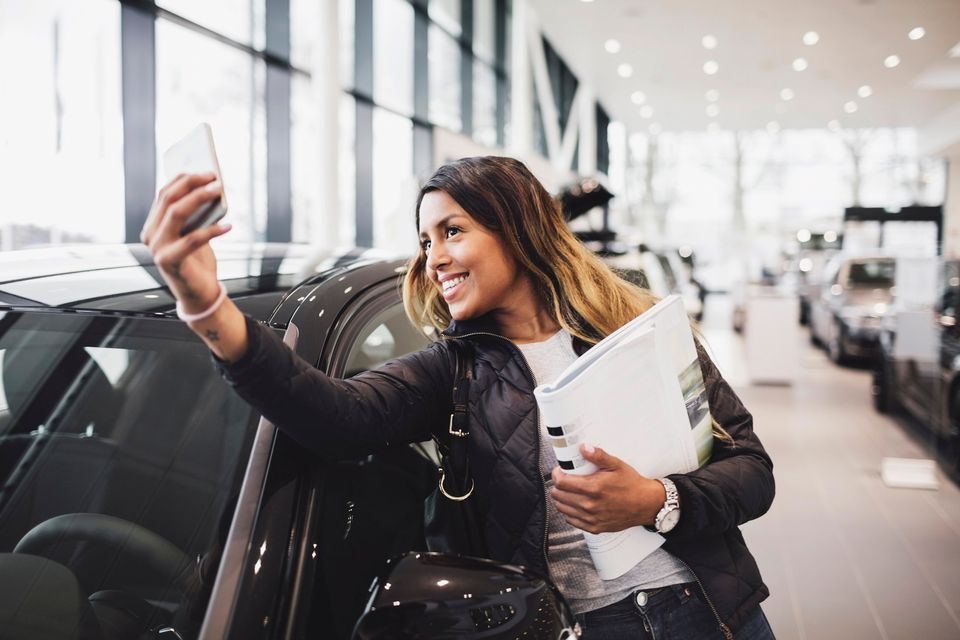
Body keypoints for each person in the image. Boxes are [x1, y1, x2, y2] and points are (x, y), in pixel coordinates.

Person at [141, 156, 776, 639]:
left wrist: (654, 501)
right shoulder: (453, 373)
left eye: (452, 231)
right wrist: (207, 307)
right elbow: (337, 416)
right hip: (591, 624)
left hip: (712, 608)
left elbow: (752, 472)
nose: (434, 258)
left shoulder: (636, 328)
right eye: (426, 241)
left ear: (517, 231)